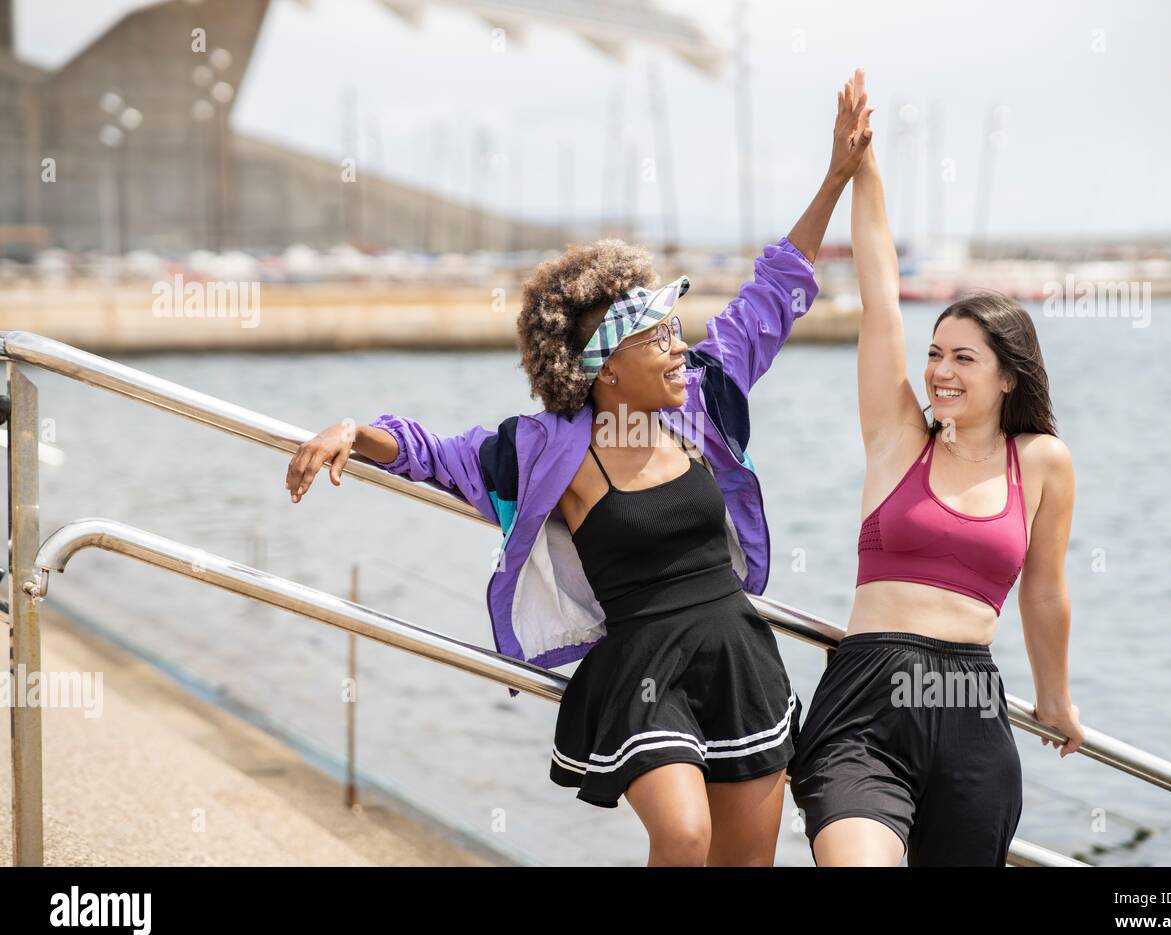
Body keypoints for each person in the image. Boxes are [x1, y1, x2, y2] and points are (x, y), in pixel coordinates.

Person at [284, 72, 874, 866]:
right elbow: (431, 454)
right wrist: (356, 432)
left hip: (739, 657)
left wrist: (836, 176)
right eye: (657, 337)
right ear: (605, 370)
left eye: (675, 330)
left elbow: (775, 291)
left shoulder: (700, 400)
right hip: (639, 669)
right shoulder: (547, 449)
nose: (678, 346)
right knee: (684, 833)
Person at [787, 70, 1086, 867]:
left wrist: (1054, 696)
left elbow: (1047, 588)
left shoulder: (1043, 463)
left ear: (1009, 375)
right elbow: (882, 292)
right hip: (865, 702)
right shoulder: (899, 441)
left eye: (964, 358)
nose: (941, 372)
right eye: (934, 355)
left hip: (971, 710)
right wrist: (864, 167)